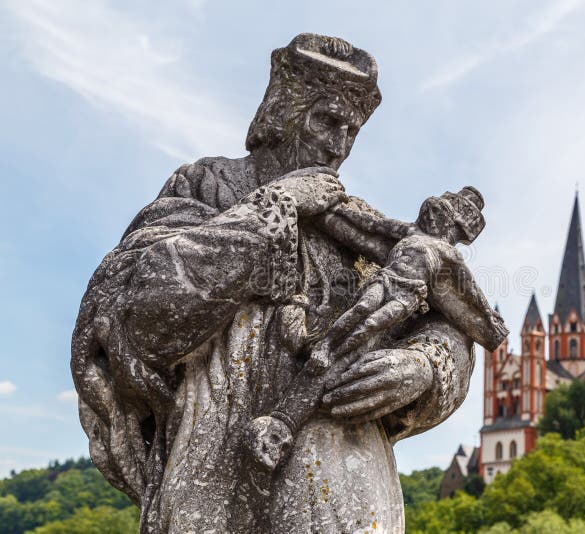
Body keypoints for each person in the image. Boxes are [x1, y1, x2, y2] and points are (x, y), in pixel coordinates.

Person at [71, 33, 501, 532]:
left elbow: (449, 321)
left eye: (352, 131)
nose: (338, 144)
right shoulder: (210, 188)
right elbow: (137, 318)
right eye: (327, 120)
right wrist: (278, 205)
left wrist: (422, 369)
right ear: (282, 114)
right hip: (216, 479)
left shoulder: (360, 229)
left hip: (346, 484)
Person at [248, 187, 509, 474]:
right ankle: (284, 420)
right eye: (433, 211)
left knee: (358, 335)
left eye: (440, 214)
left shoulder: (447, 257)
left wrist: (425, 364)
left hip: (402, 300)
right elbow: (360, 226)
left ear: (455, 227)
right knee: (345, 333)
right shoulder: (406, 233)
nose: (433, 217)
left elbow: (470, 306)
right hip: (380, 288)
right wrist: (314, 203)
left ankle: (284, 422)